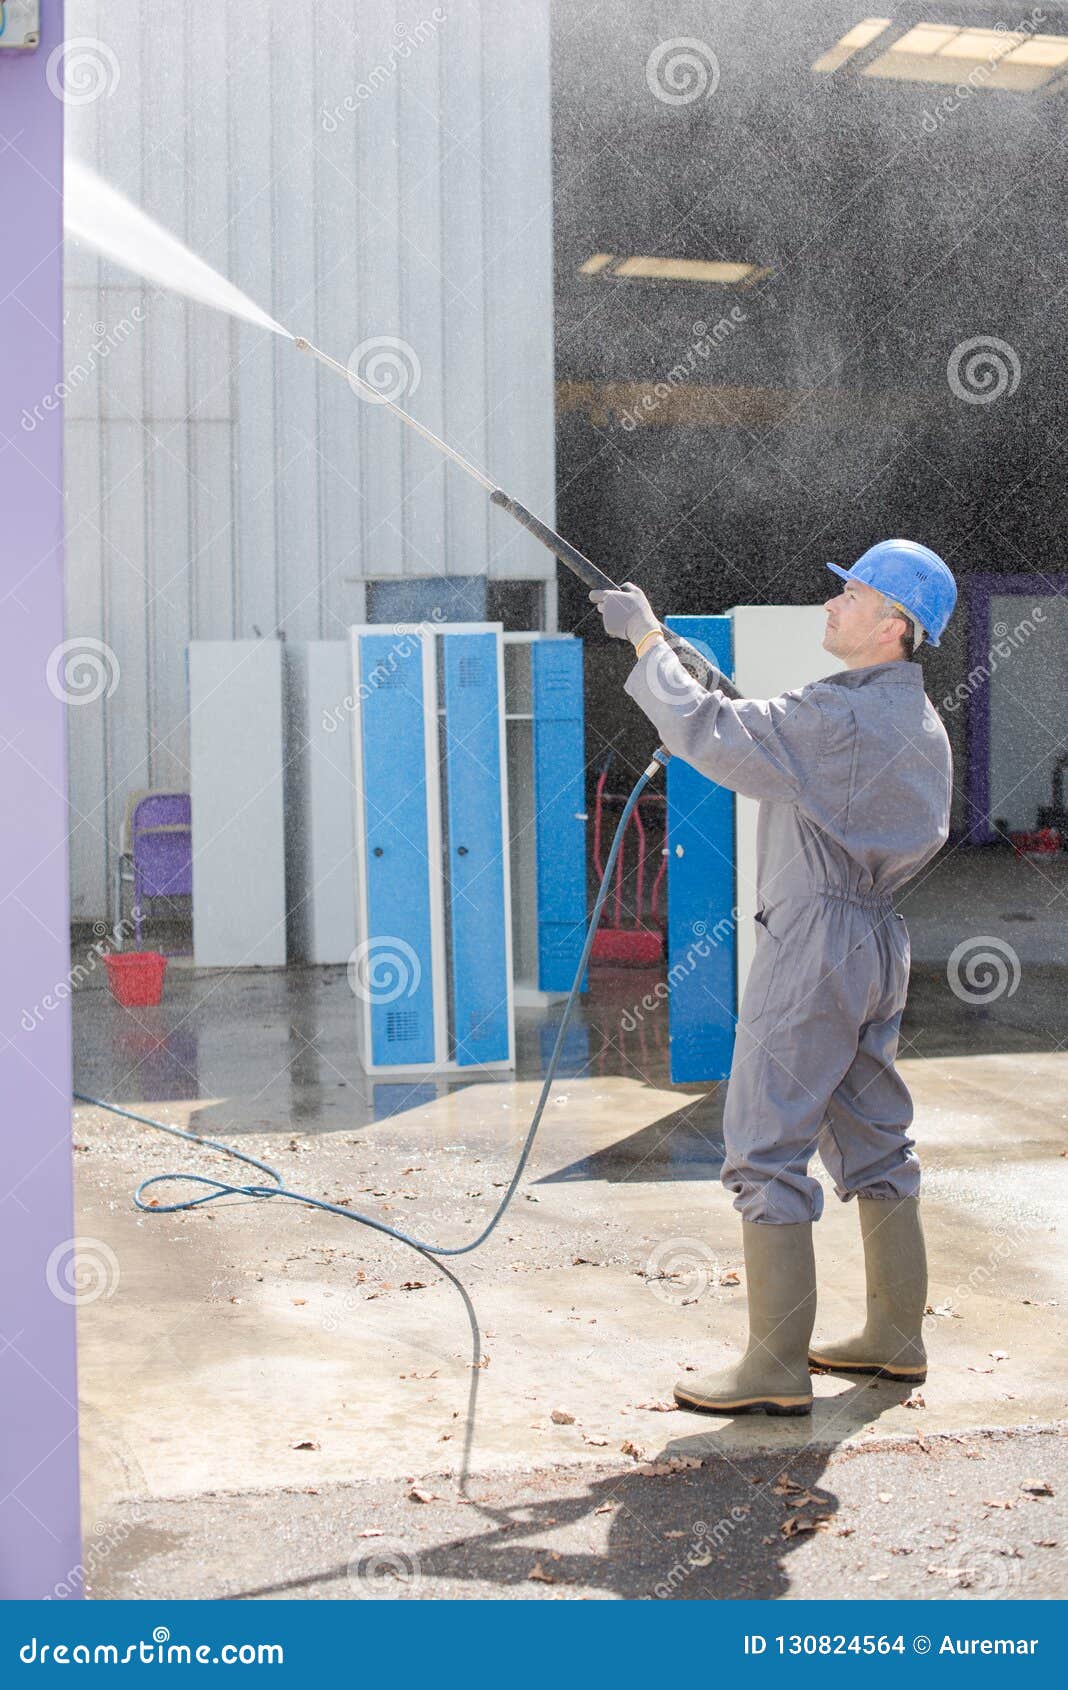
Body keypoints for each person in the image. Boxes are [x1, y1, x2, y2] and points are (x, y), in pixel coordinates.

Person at [591, 541, 956, 1416]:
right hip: (875, 942)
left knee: (764, 1147)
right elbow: (770, 742)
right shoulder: (918, 724)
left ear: (895, 627)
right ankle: (895, 1338)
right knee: (876, 1141)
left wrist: (645, 639)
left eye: (853, 595)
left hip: (813, 946)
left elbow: (708, 734)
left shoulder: (838, 715)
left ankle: (774, 1366)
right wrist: (698, 674)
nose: (832, 604)